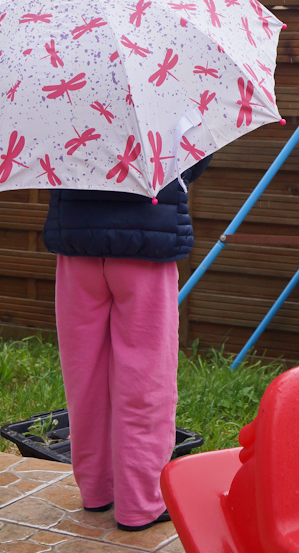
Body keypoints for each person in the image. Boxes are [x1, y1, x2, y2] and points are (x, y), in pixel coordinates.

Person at [43, 156, 211, 530]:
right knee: (146, 380)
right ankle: (139, 503)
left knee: (84, 377)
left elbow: (44, 162)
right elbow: (193, 159)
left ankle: (96, 491)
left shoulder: (59, 99)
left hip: (78, 247)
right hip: (145, 248)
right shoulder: (167, 97)